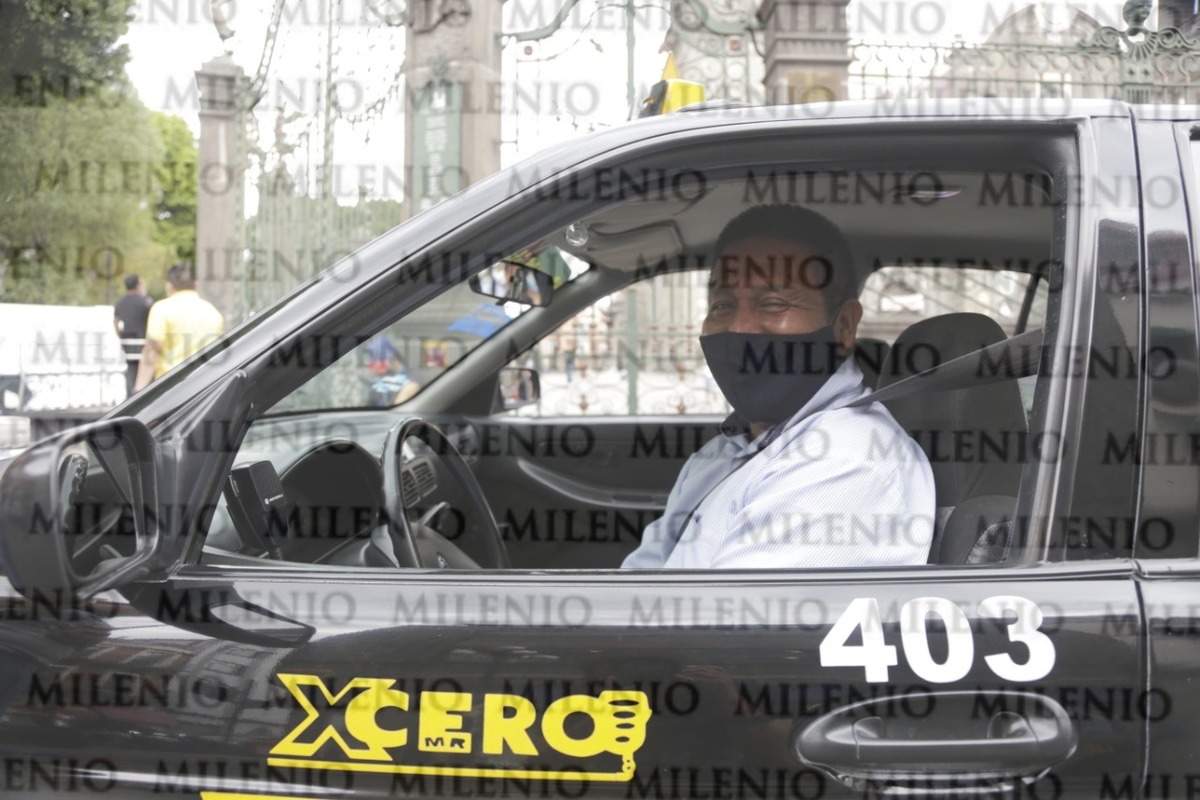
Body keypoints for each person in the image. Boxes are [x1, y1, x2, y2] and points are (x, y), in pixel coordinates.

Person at [622, 205, 935, 569]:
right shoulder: (722, 452)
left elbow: (721, 622)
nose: (739, 327)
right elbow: (642, 574)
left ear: (845, 325)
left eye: (772, 303)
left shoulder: (844, 461)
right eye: (723, 304)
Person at [134, 264, 225, 391]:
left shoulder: (162, 308)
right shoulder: (214, 313)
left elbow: (153, 350)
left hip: (170, 388)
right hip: (205, 388)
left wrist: (138, 391)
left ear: (169, 286)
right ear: (196, 284)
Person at [113, 274, 153, 397]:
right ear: (138, 285)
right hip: (143, 343)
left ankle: (130, 399)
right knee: (146, 371)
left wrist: (121, 336)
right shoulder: (146, 302)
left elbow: (116, 322)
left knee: (131, 370)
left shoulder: (120, 302)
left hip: (128, 343)